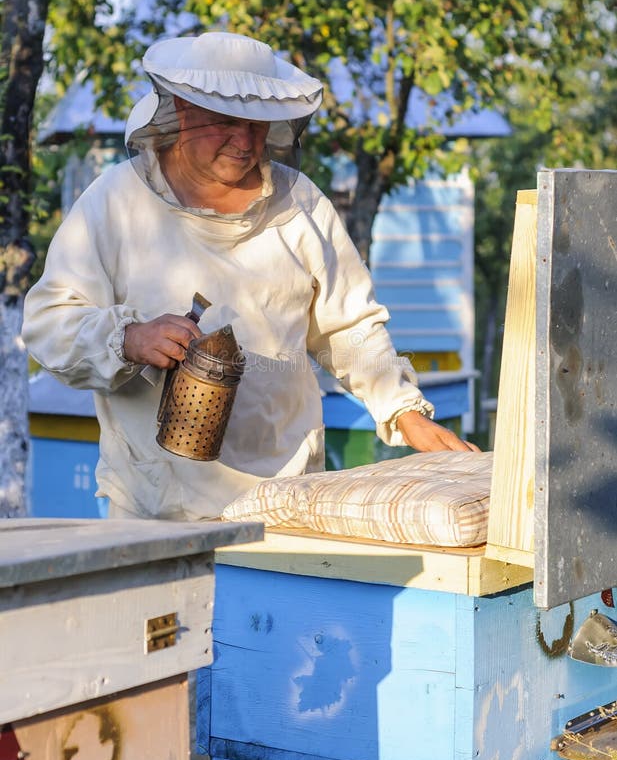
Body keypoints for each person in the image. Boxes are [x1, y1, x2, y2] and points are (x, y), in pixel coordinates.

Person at [23, 31, 478, 523]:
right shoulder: (115, 202)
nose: (245, 142)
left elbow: (349, 326)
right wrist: (130, 337)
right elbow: (50, 324)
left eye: (258, 125)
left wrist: (402, 409)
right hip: (156, 508)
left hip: (287, 502)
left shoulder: (301, 203)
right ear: (181, 107)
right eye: (226, 122)